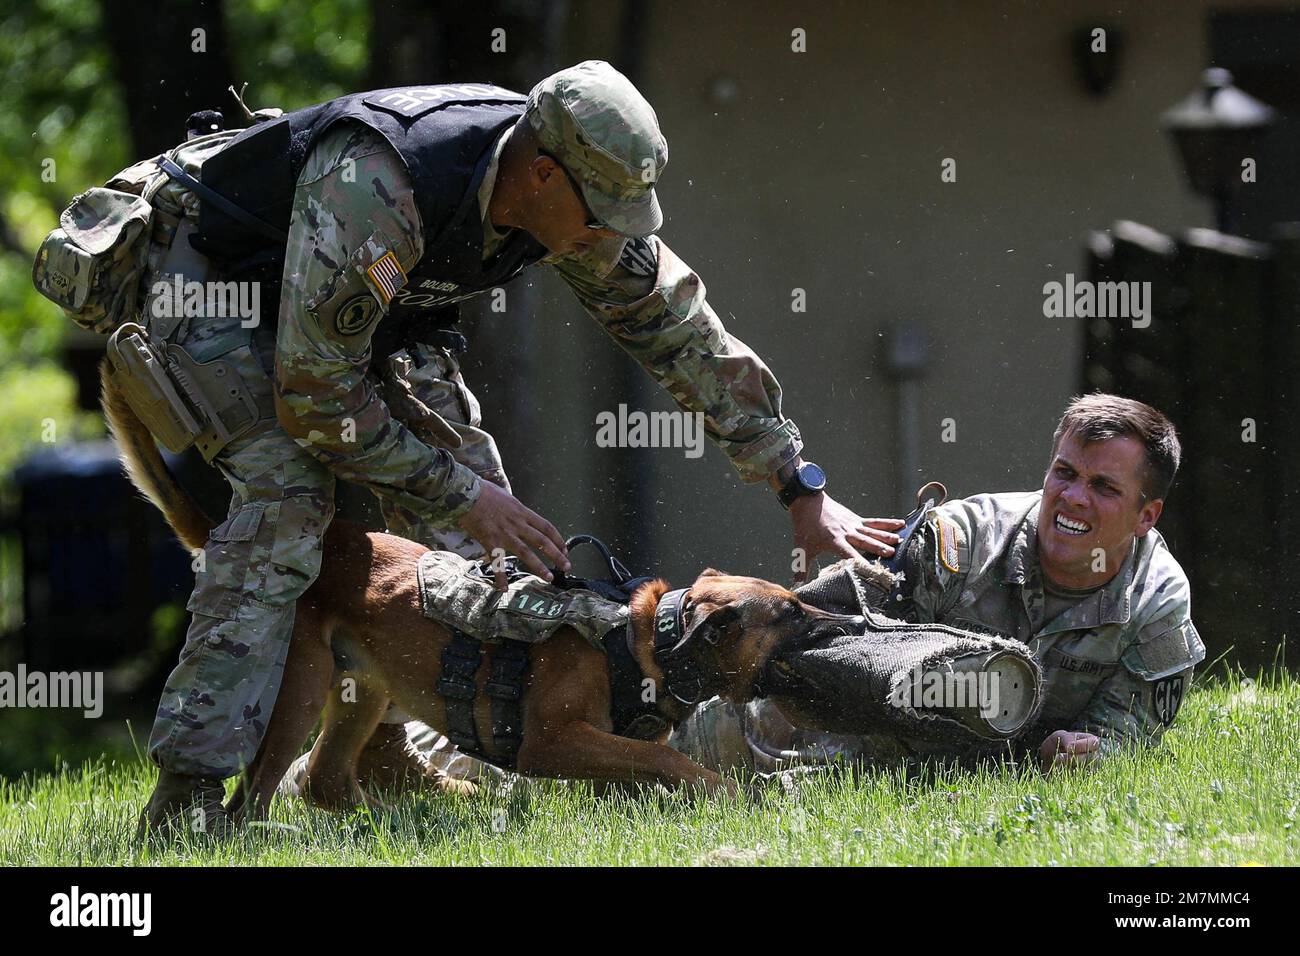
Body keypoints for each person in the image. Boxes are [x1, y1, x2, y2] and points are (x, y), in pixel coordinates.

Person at [117, 61, 904, 833]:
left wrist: (796, 484)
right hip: (208, 294)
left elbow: (676, 326)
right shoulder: (379, 185)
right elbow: (316, 397)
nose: (606, 233)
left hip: (348, 316)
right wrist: (463, 494)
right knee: (287, 504)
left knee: (494, 561)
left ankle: (376, 755)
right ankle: (189, 797)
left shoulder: (576, 190)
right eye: (597, 210)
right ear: (540, 176)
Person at [669, 394, 1206, 775]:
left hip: (920, 775)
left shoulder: (1156, 602)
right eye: (1064, 473)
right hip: (776, 733)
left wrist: (1083, 752)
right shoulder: (963, 540)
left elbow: (1127, 732)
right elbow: (825, 631)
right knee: (636, 760)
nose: (1073, 498)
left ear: (1145, 516)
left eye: (1104, 487)